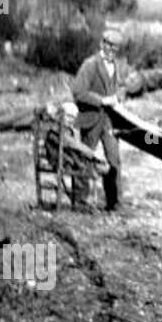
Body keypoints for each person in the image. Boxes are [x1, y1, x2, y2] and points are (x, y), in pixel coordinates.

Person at [72, 27, 138, 210]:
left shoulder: (116, 66)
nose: (110, 49)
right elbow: (78, 92)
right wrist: (102, 100)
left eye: (115, 47)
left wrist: (119, 96)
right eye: (108, 45)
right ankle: (80, 201)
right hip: (90, 117)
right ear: (102, 44)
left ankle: (114, 201)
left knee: (114, 158)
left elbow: (121, 88)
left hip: (109, 120)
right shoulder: (90, 64)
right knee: (85, 158)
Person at [43, 101, 108, 208]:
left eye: (73, 117)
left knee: (86, 163)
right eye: (68, 117)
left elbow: (76, 144)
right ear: (60, 115)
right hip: (59, 160)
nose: (71, 120)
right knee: (84, 166)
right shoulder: (58, 130)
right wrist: (92, 154)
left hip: (67, 157)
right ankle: (82, 200)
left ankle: (82, 198)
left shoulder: (67, 128)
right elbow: (73, 144)